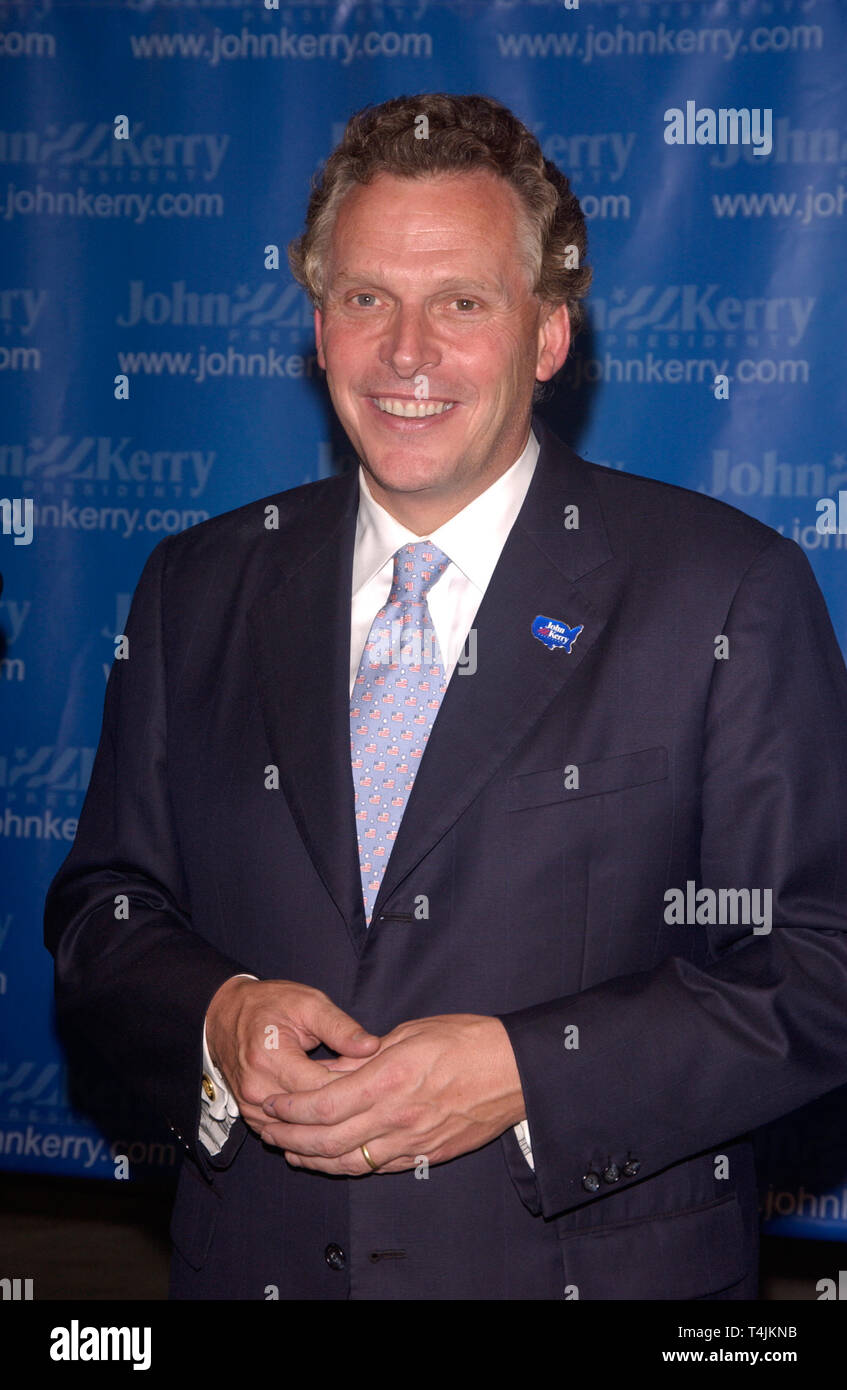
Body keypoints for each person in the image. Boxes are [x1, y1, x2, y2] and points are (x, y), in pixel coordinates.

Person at [45, 93, 847, 1301]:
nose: (406, 352)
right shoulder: (196, 586)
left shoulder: (723, 590)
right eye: (367, 298)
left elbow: (822, 963)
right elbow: (105, 910)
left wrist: (530, 1071)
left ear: (548, 336)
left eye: (461, 303)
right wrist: (220, 1017)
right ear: (319, 327)